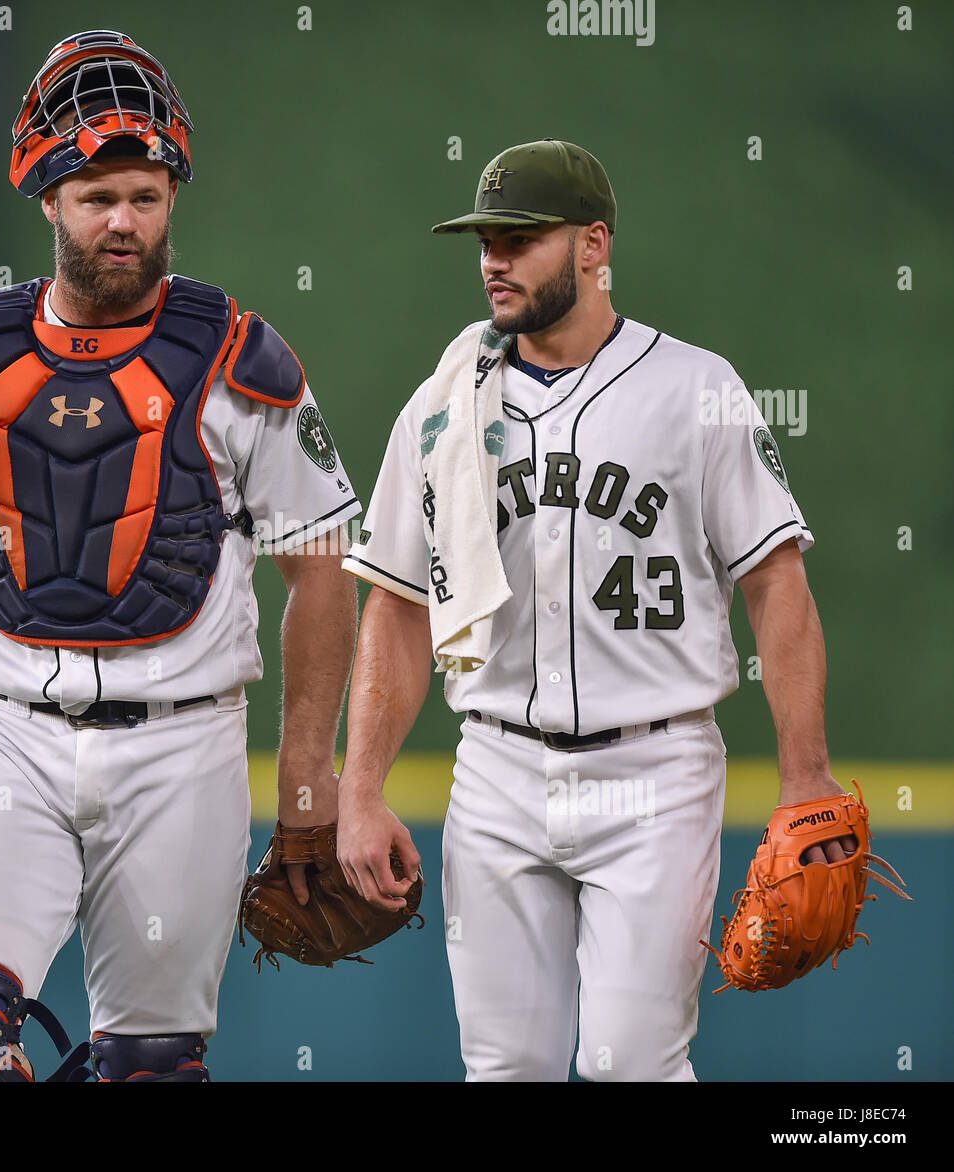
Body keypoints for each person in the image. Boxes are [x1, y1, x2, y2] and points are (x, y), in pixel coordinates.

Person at [0, 29, 360, 1082]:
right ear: (47, 199)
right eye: (96, 197)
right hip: (7, 739)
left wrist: (310, 774)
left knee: (151, 1069)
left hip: (183, 749)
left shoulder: (238, 356)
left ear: (172, 191)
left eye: (143, 193)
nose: (123, 220)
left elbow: (320, 566)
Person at [335, 139, 855, 1081]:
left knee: (631, 1067)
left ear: (592, 244)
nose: (494, 258)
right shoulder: (441, 409)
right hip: (495, 767)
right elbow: (397, 612)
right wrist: (359, 790)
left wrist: (806, 776)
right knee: (505, 1068)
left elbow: (778, 587)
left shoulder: (697, 389)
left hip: (653, 772)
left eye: (521, 237)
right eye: (485, 238)